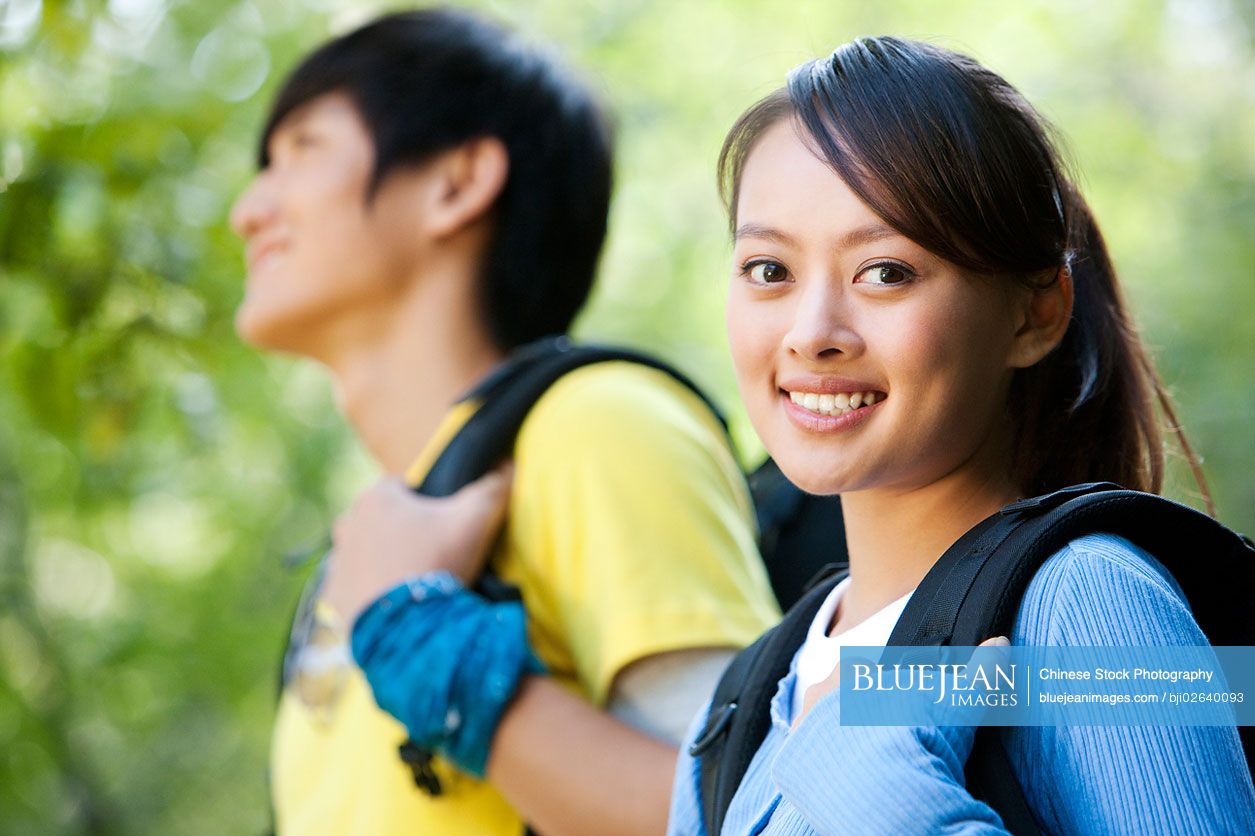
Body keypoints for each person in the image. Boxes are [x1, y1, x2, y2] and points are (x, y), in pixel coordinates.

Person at [332, 34, 1255, 835]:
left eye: (886, 271)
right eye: (768, 270)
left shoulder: (1088, 608)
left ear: (1034, 314)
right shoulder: (749, 696)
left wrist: (898, 810)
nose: (813, 332)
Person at [229, 8, 779, 836]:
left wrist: (424, 640)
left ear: (456, 183)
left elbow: (759, 806)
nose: (248, 210)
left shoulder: (595, 425)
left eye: (301, 151)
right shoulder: (362, 555)